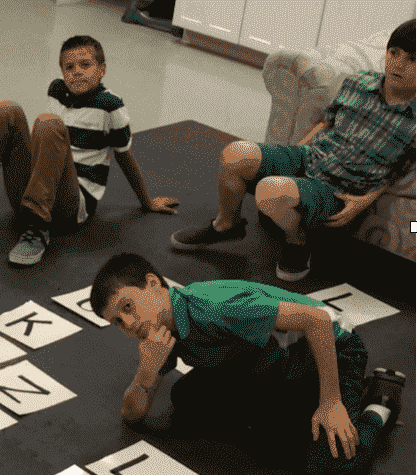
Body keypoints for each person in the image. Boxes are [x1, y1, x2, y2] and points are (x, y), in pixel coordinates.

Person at [90, 252, 405, 475]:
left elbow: (317, 320)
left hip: (330, 348)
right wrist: (145, 372)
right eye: (117, 321)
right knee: (187, 398)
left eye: (128, 306)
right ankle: (294, 414)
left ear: (152, 283)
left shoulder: (214, 306)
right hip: (266, 357)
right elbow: (132, 415)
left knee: (331, 472)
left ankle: (377, 404)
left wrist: (331, 402)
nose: (129, 324)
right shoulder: (158, 331)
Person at [171, 19, 415, 281]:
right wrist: (295, 151)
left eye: (412, 59)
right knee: (235, 153)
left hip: (339, 187)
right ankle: (226, 225)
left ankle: (298, 241)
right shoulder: (357, 82)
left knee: (269, 193)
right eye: (393, 52)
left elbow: (400, 169)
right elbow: (326, 121)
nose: (397, 63)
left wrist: (363, 202)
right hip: (311, 157)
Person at [0, 35, 179, 266]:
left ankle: (38, 228)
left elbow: (124, 156)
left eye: (85, 65)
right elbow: (44, 150)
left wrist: (146, 201)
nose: (76, 71)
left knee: (48, 124)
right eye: (69, 67)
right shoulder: (57, 90)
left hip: (70, 206)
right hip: (34, 194)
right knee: (6, 110)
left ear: (102, 69)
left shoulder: (111, 106)